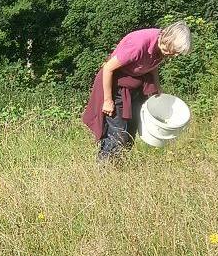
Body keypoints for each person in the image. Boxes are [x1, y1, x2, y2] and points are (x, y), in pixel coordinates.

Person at [81, 21, 191, 160]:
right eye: (173, 50)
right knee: (118, 133)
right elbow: (108, 68)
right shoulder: (139, 44)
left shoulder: (162, 47)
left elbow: (152, 65)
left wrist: (157, 88)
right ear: (168, 38)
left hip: (135, 86)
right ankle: (105, 171)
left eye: (176, 53)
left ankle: (119, 167)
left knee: (131, 132)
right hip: (115, 86)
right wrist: (108, 101)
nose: (173, 55)